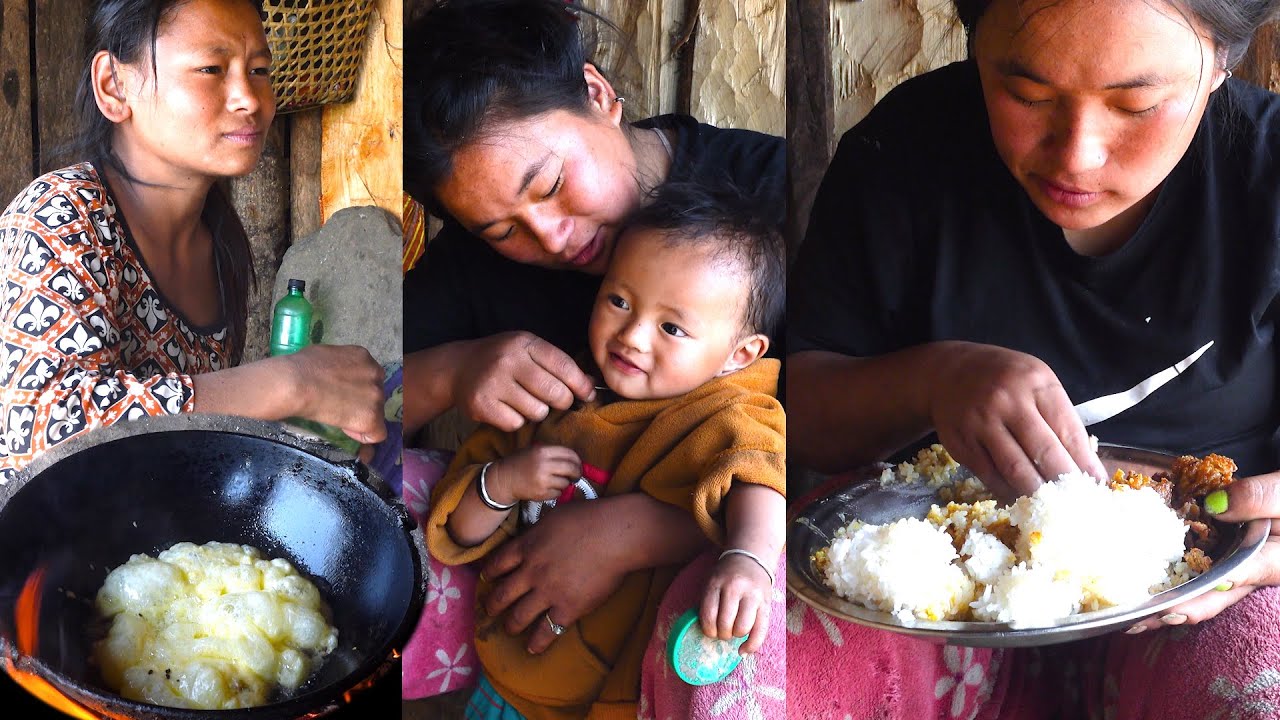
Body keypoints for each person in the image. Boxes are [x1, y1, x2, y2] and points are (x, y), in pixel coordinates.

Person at [787, 0, 1280, 716]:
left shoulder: (1266, 181)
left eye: (1136, 103)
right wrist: (933, 381)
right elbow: (795, 408)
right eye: (1026, 93)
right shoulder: (907, 153)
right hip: (936, 584)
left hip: (1205, 593)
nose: (1077, 153)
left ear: (1223, 63)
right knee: (732, 654)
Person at [401, 0, 784, 666]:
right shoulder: (474, 266)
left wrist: (636, 533)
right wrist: (454, 371)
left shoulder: (771, 199)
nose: (550, 236)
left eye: (550, 183)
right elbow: (348, 407)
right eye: (501, 229)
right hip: (531, 590)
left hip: (727, 567)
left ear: (598, 94)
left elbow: (835, 441)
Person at [427, 182, 786, 719]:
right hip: (508, 684)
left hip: (624, 699)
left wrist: (748, 561)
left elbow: (760, 480)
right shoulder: (556, 398)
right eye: (618, 301)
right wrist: (502, 484)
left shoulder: (728, 413)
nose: (633, 336)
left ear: (740, 353)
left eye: (671, 327)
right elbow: (459, 531)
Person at [0, 0, 386, 482]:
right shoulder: (64, 212)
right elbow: (41, 436)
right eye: (211, 68)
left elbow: (195, 433)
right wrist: (292, 383)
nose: (249, 98)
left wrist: (307, 430)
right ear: (114, 86)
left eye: (260, 69)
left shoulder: (217, 241)